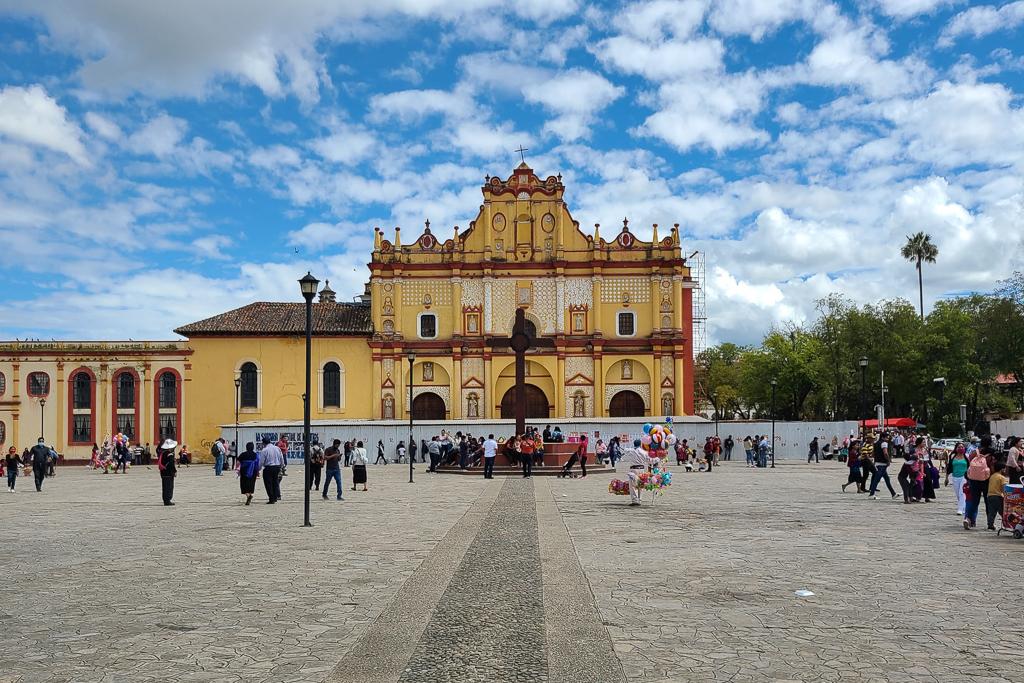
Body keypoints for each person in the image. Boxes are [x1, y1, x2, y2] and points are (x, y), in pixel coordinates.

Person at [963, 439, 994, 530]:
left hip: (974, 480)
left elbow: (969, 465)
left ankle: (968, 518)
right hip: (986, 480)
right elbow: (992, 467)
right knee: (988, 502)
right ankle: (990, 523)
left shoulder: (973, 453)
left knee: (974, 501)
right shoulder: (991, 454)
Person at [623, 439, 656, 506]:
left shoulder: (630, 451)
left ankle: (635, 500)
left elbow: (625, 449)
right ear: (640, 444)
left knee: (633, 485)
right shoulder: (644, 452)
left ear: (634, 444)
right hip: (641, 469)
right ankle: (640, 499)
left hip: (633, 469)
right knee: (641, 484)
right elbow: (650, 460)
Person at [867, 434, 898, 499]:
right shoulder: (884, 443)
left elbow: (873, 453)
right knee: (876, 479)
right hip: (882, 464)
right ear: (883, 437)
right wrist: (888, 460)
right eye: (887, 438)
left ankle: (893, 493)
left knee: (887, 479)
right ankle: (871, 494)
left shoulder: (875, 443)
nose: (888, 439)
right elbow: (885, 453)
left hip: (878, 463)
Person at [944, 443, 969, 516]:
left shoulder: (966, 456)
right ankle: (963, 507)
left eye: (962, 447)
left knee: (962, 493)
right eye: (959, 447)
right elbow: (949, 468)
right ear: (956, 448)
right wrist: (946, 478)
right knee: (958, 494)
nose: (961, 448)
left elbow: (969, 466)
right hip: (955, 477)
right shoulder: (952, 456)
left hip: (964, 477)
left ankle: (960, 509)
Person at [258, 437, 285, 504]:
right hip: (277, 467)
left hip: (268, 468)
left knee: (268, 484)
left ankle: (271, 498)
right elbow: (281, 458)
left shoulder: (264, 450)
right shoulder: (277, 448)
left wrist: (258, 469)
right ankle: (275, 497)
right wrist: (282, 466)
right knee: (275, 482)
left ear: (263, 443)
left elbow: (261, 461)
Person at [986, 467, 1008, 531]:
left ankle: (990, 525)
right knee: (1002, 512)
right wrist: (1006, 497)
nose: (1005, 470)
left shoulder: (992, 476)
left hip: (990, 495)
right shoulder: (1002, 478)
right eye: (1004, 469)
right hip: (998, 496)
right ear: (1001, 469)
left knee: (991, 512)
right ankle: (1006, 524)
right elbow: (1004, 489)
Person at [157, 439, 177, 505]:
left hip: (163, 472)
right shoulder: (170, 454)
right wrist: (174, 471)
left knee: (164, 487)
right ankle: (168, 500)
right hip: (168, 472)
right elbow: (171, 464)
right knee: (169, 486)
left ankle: (165, 500)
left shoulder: (162, 453)